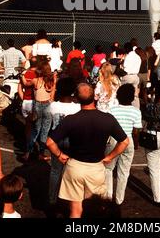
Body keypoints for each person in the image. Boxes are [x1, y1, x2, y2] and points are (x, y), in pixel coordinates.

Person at [46, 83, 129, 218]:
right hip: (96, 168)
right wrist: (110, 157)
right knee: (95, 210)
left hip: (75, 167)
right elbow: (124, 141)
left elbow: (50, 142)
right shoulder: (107, 118)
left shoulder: (71, 120)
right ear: (94, 97)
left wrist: (59, 155)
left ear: (77, 99)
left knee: (75, 211)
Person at [105, 84, 142, 205]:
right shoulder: (136, 112)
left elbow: (108, 128)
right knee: (124, 171)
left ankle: (108, 196)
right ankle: (119, 199)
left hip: (114, 140)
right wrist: (136, 145)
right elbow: (136, 132)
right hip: (128, 140)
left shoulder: (112, 110)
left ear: (118, 96)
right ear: (132, 98)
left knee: (108, 168)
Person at [48, 77, 80, 207]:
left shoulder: (53, 106)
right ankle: (70, 198)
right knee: (72, 170)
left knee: (55, 171)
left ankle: (52, 199)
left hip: (56, 140)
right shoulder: (77, 107)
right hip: (73, 141)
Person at [23, 62, 57, 160]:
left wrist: (22, 75)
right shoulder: (51, 81)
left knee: (35, 130)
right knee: (44, 131)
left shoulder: (36, 80)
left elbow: (25, 83)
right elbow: (52, 97)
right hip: (47, 105)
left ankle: (28, 152)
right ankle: (41, 154)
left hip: (37, 105)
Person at [18, 59, 37, 162]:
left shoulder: (25, 73)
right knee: (37, 127)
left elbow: (20, 87)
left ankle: (28, 149)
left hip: (26, 102)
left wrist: (23, 98)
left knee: (28, 126)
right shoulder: (39, 74)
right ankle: (32, 150)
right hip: (35, 103)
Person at [121, 42, 141, 108]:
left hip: (128, 76)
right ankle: (136, 108)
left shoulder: (128, 56)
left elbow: (125, 66)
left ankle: (124, 107)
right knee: (135, 95)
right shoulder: (138, 57)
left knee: (124, 93)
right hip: (136, 76)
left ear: (126, 49)